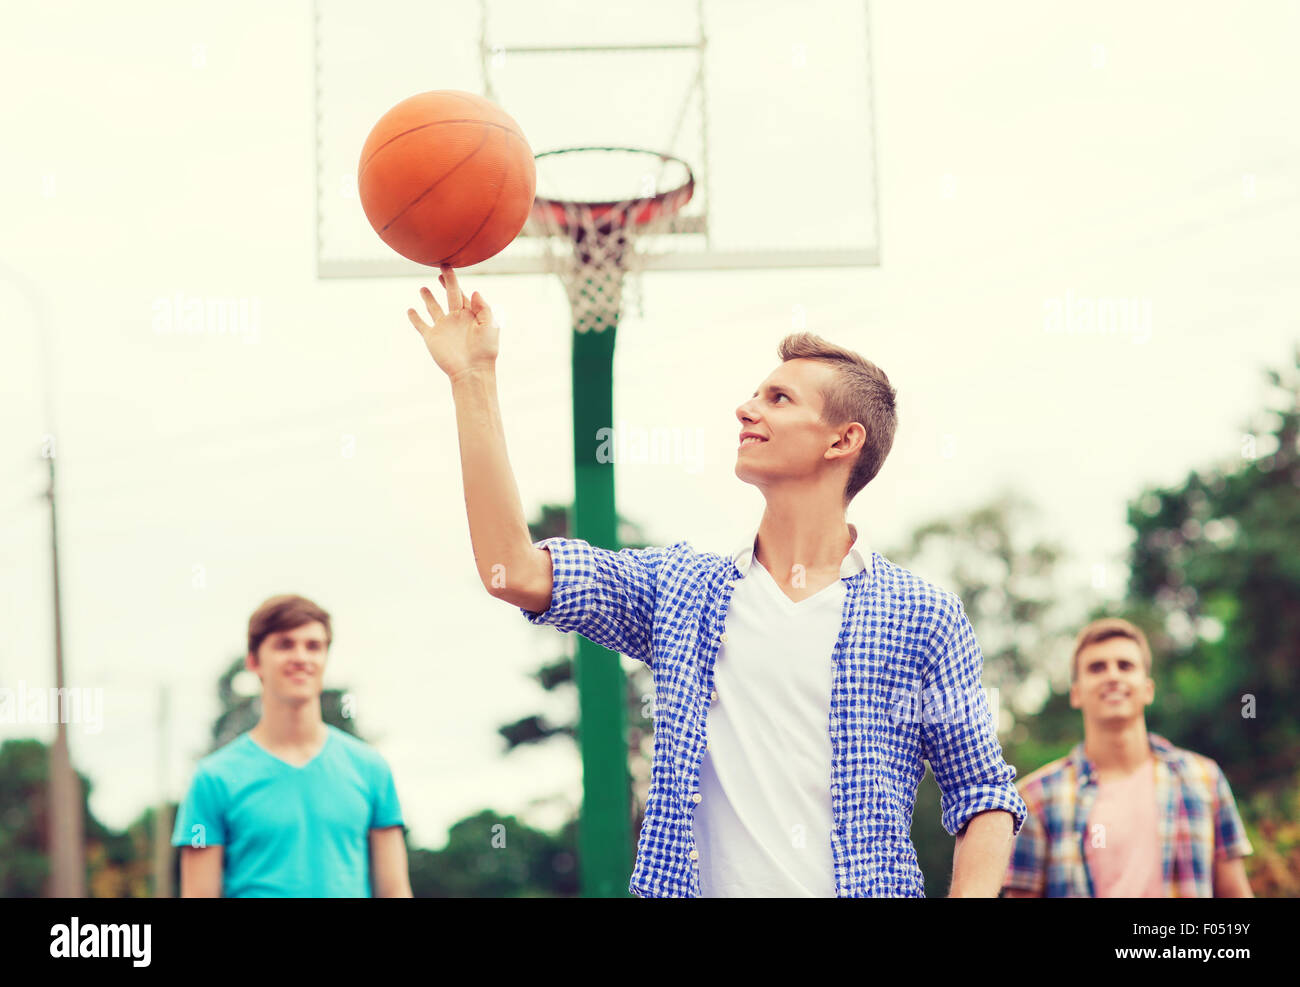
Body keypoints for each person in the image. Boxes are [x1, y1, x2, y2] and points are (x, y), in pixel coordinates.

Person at [407, 265, 1026, 897]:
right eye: (757, 394)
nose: (745, 408)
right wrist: (471, 378)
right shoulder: (681, 590)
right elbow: (512, 568)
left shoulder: (922, 615)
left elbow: (983, 794)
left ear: (844, 440)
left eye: (778, 399)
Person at [172, 594, 411, 897]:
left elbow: (395, 891)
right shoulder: (213, 779)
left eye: (314, 646)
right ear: (254, 661)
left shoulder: (371, 769)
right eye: (285, 644)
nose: (301, 657)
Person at [1002, 617, 1254, 898]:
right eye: (1097, 667)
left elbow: (1235, 892)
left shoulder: (1204, 778)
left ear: (1148, 689)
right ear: (1076, 694)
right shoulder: (1034, 799)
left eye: (1125, 665)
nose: (1113, 676)